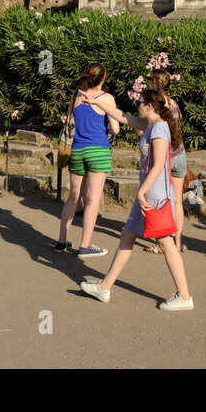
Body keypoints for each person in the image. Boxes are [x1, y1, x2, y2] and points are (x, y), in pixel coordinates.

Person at [78, 87, 193, 310]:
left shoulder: (159, 128)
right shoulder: (150, 124)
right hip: (148, 194)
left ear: (149, 106)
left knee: (166, 244)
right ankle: (104, 287)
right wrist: (95, 101)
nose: (136, 105)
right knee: (127, 237)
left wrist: (141, 192)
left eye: (139, 101)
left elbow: (159, 165)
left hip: (154, 196)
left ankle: (185, 296)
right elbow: (122, 116)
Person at [53, 63, 119, 258]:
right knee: (92, 201)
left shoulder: (77, 96)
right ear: (103, 78)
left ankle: (61, 242)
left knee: (74, 198)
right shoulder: (106, 98)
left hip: (77, 149)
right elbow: (115, 128)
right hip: (98, 150)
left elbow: (70, 123)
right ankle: (85, 245)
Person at [136, 70, 187, 255]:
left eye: (150, 80)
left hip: (165, 157)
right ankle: (178, 241)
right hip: (180, 153)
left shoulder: (156, 106)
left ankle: (162, 242)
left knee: (159, 199)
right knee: (177, 201)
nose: (147, 82)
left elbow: (148, 131)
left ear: (155, 83)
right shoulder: (173, 103)